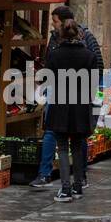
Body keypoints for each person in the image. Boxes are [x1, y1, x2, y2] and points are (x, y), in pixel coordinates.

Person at [31, 5, 103, 190]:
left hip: (69, 96)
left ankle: (75, 181)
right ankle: (48, 174)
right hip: (69, 97)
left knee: (71, 140)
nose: (53, 26)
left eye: (54, 21)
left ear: (64, 23)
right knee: (58, 135)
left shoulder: (87, 38)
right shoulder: (55, 41)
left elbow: (98, 66)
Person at [45, 18, 96, 201]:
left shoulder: (54, 55)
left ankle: (65, 189)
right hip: (80, 105)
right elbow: (93, 84)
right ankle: (77, 186)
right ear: (79, 33)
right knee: (76, 146)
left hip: (60, 104)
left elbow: (48, 80)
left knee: (62, 147)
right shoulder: (89, 55)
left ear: (62, 34)